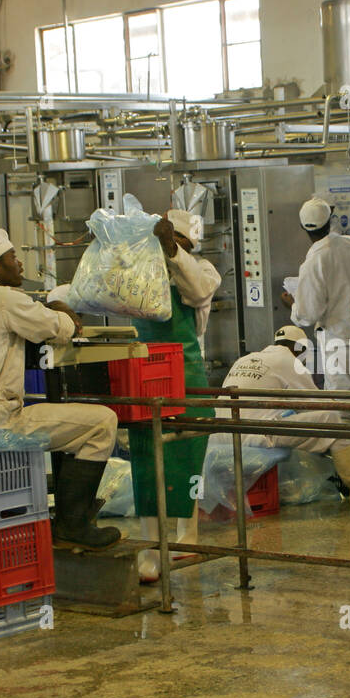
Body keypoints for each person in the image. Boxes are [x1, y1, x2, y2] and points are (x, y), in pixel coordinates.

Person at [0, 228, 121, 550]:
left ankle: (66, 512)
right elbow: (61, 329)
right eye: (12, 258)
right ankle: (73, 524)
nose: (19, 264)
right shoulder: (5, 299)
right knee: (102, 422)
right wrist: (62, 309)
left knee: (70, 427)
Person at [129, 208, 222, 583]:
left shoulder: (202, 270)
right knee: (147, 456)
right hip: (145, 370)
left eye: (176, 241)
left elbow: (197, 290)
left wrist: (173, 252)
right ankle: (151, 546)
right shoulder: (142, 273)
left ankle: (189, 534)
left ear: (187, 244)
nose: (166, 247)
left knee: (189, 455)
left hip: (185, 370)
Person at [217, 326, 350, 505]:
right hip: (253, 433)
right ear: (302, 349)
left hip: (221, 431)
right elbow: (314, 405)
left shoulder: (246, 359)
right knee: (336, 421)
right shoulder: (290, 361)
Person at [280, 197, 350, 396]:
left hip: (339, 340)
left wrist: (293, 304)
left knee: (343, 405)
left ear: (303, 227)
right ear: (330, 220)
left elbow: (307, 314)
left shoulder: (314, 261)